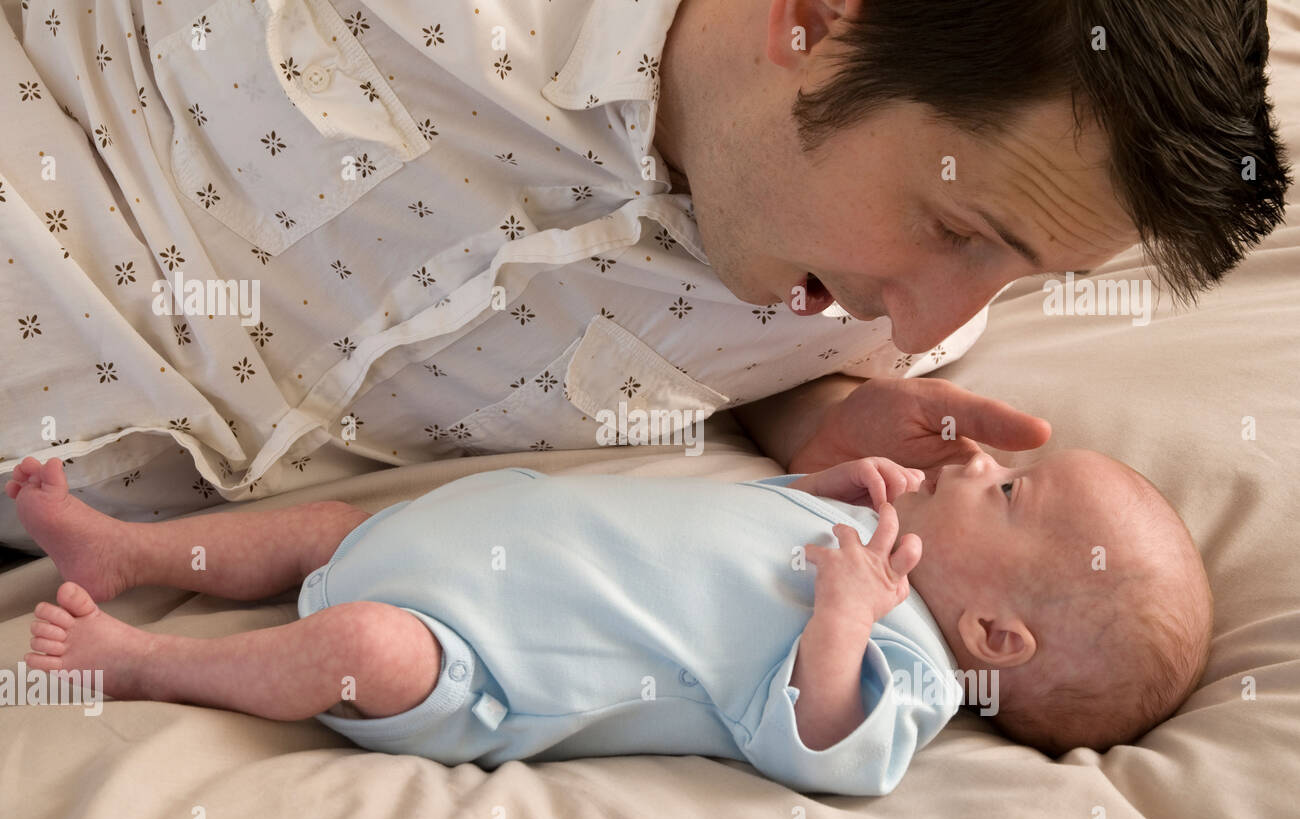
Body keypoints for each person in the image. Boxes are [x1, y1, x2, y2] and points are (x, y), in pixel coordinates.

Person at [0, 0, 1288, 549]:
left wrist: (814, 413)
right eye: (962, 235)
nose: (935, 323)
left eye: (1019, 281)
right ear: (817, 21)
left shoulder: (845, 297)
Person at [9, 448, 1212, 795]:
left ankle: (148, 662)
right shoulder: (861, 537)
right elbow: (712, 548)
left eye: (1011, 492)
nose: (985, 456)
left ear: (997, 634)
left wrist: (846, 618)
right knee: (322, 527)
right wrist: (818, 490)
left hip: (471, 667)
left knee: (358, 642)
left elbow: (824, 743)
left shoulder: (912, 666)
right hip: (451, 543)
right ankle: (130, 549)